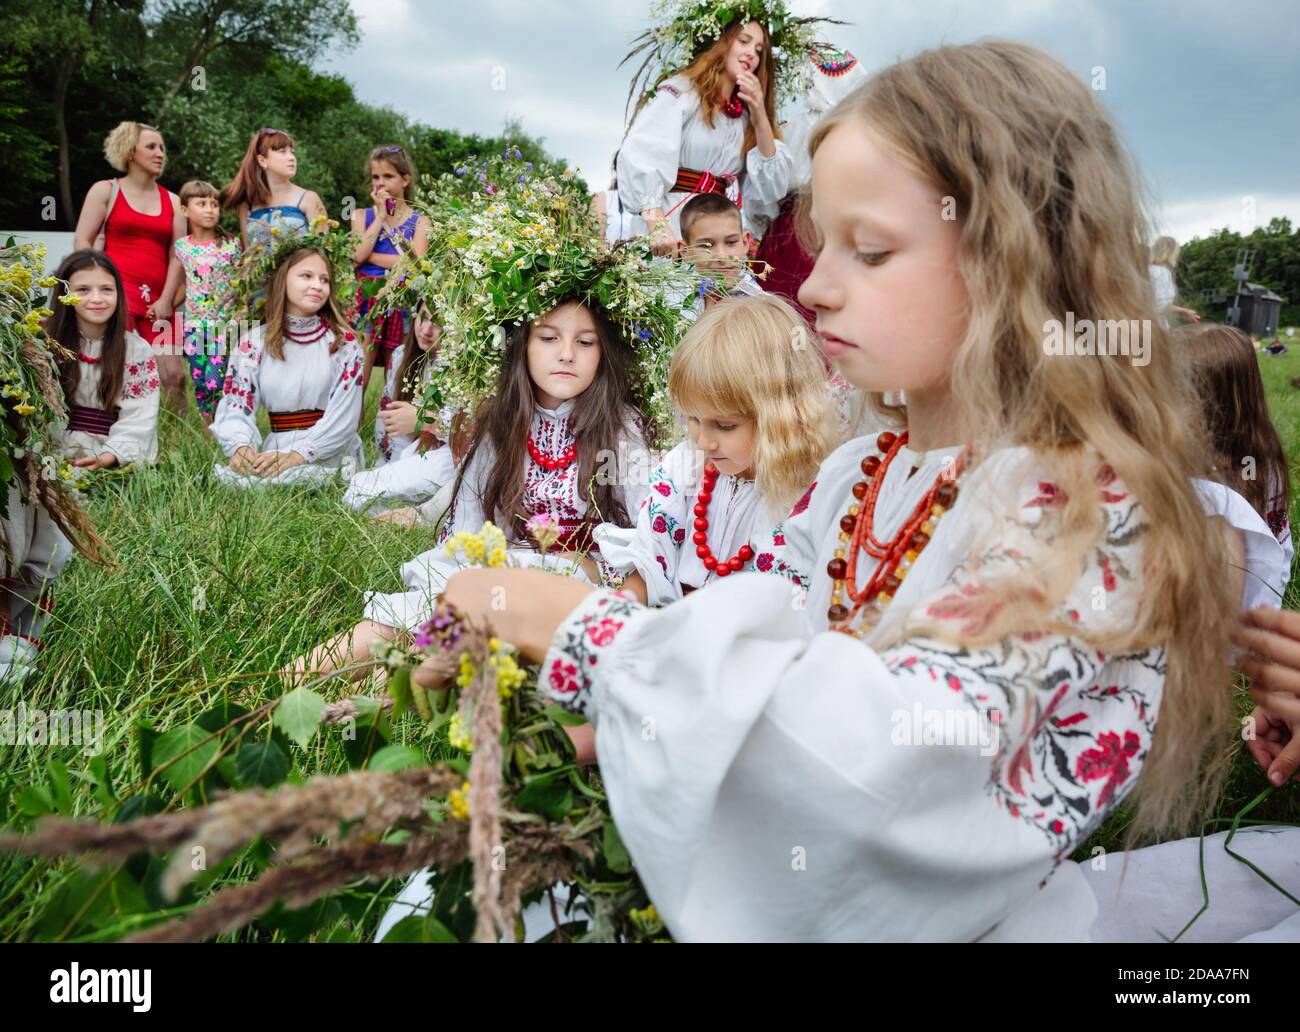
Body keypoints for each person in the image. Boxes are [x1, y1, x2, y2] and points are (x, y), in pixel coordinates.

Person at [428, 41, 1245, 942]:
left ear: (1014, 266)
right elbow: (778, 632)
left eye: (871, 250)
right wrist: (629, 726)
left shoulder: (1083, 507)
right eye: (823, 246)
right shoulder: (861, 476)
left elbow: (888, 754)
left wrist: (588, 634)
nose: (813, 286)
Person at [597, 294, 835, 605]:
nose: (703, 441)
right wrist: (623, 606)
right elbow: (649, 558)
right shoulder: (686, 468)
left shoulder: (806, 497)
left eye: (724, 426)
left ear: (782, 418)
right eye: (693, 419)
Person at [604, 11, 795, 250]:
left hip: (721, 234)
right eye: (744, 41)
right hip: (675, 223)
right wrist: (658, 226)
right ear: (721, 42)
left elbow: (770, 189)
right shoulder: (682, 92)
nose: (751, 55)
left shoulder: (746, 119)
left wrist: (759, 114)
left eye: (758, 50)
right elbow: (643, 153)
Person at [210, 247, 363, 488]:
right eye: (306, 276)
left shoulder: (345, 344)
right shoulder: (252, 343)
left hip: (329, 451)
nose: (317, 285)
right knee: (239, 480)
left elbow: (344, 419)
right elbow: (236, 406)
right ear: (283, 279)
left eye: (324, 279)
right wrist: (241, 447)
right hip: (277, 453)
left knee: (304, 480)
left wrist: (299, 455)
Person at [72, 121, 188, 407]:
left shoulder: (173, 201)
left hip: (158, 302)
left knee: (174, 376)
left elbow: (179, 254)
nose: (160, 153)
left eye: (162, 147)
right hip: (116, 297)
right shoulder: (105, 190)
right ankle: (110, 432)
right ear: (130, 152)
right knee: (115, 370)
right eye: (151, 147)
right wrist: (98, 289)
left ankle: (176, 442)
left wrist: (167, 301)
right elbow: (83, 242)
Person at [44, 250, 159, 471]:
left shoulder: (136, 349)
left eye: (106, 289)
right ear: (64, 294)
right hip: (53, 451)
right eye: (83, 290)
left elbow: (140, 415)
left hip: (112, 453)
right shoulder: (46, 346)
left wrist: (109, 456)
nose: (96, 299)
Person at [342, 306, 454, 513]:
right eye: (423, 317)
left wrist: (426, 420)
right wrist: (392, 468)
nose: (426, 330)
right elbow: (388, 428)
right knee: (361, 491)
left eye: (439, 324)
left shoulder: (467, 370)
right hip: (407, 456)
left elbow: (474, 436)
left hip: (447, 460)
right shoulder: (402, 355)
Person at [351, 145, 430, 395]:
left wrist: (371, 258)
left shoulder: (420, 221)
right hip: (367, 302)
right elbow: (355, 256)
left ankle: (387, 432)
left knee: (395, 371)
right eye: (376, 177)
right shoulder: (361, 216)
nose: (380, 183)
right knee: (358, 375)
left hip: (401, 301)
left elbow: (417, 264)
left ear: (405, 179)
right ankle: (350, 430)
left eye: (388, 176)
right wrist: (382, 216)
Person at [173, 180, 241, 424]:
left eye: (214, 204)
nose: (210, 209)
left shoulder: (231, 245)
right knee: (200, 379)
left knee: (216, 378)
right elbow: (185, 284)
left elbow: (241, 283)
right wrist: (167, 305)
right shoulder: (182, 247)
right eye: (202, 204)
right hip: (194, 325)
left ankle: (226, 426)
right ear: (184, 210)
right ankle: (207, 430)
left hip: (224, 324)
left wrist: (242, 312)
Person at [221, 128, 327, 247]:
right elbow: (248, 256)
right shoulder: (247, 205)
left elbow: (323, 250)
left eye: (292, 152)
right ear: (262, 160)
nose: (291, 157)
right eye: (282, 151)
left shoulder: (309, 199)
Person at [1149, 236, 1200, 325]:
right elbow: (1160, 306)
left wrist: (1185, 311)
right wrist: (1185, 311)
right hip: (1154, 327)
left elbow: (1157, 304)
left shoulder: (1146, 269)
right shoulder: (1161, 273)